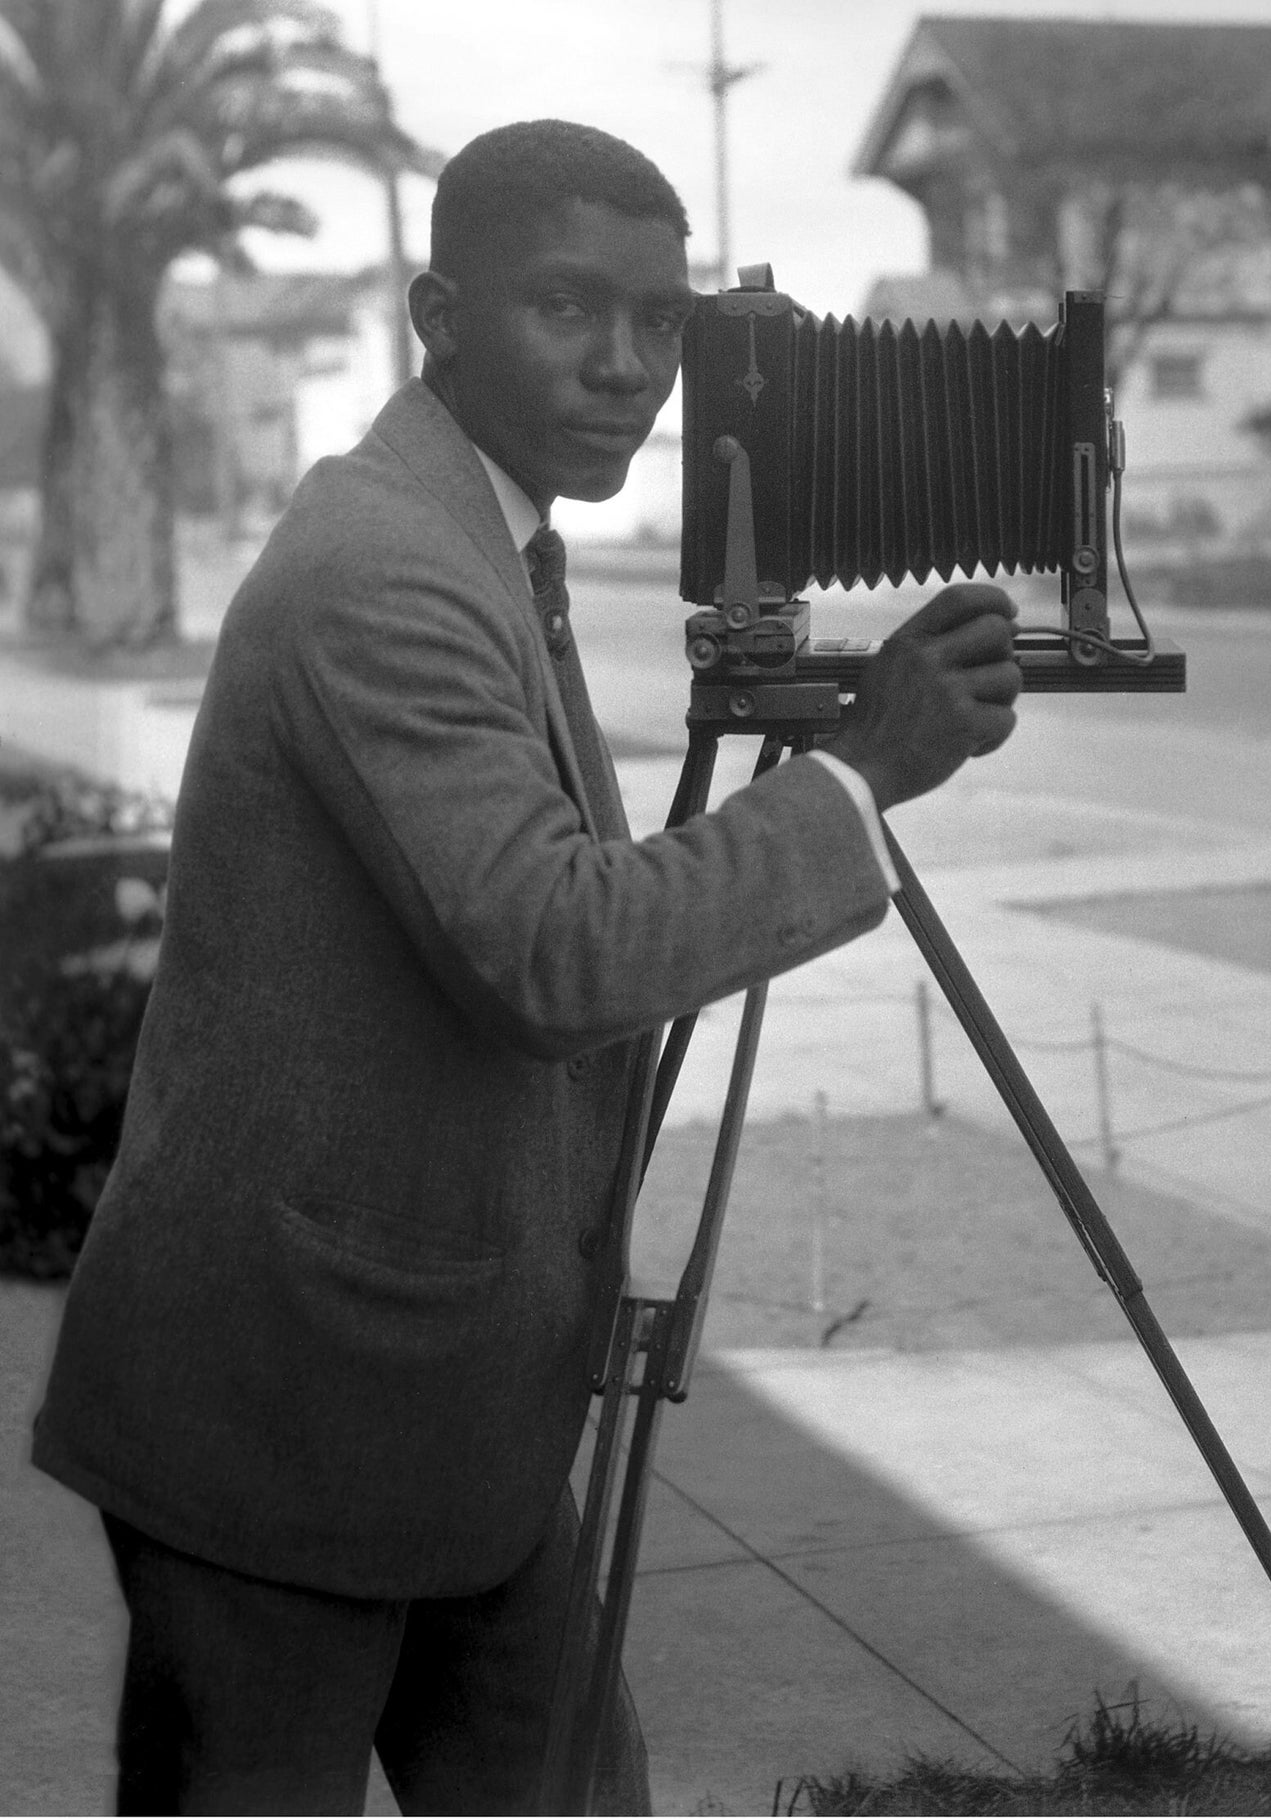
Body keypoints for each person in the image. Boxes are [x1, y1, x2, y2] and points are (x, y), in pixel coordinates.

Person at [32, 120, 1020, 1814]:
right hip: (283, 1411)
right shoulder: (384, 568)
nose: (628, 366)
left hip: (453, 1397)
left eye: (663, 321)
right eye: (569, 310)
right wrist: (859, 781)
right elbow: (556, 951)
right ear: (441, 317)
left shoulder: (483, 531)